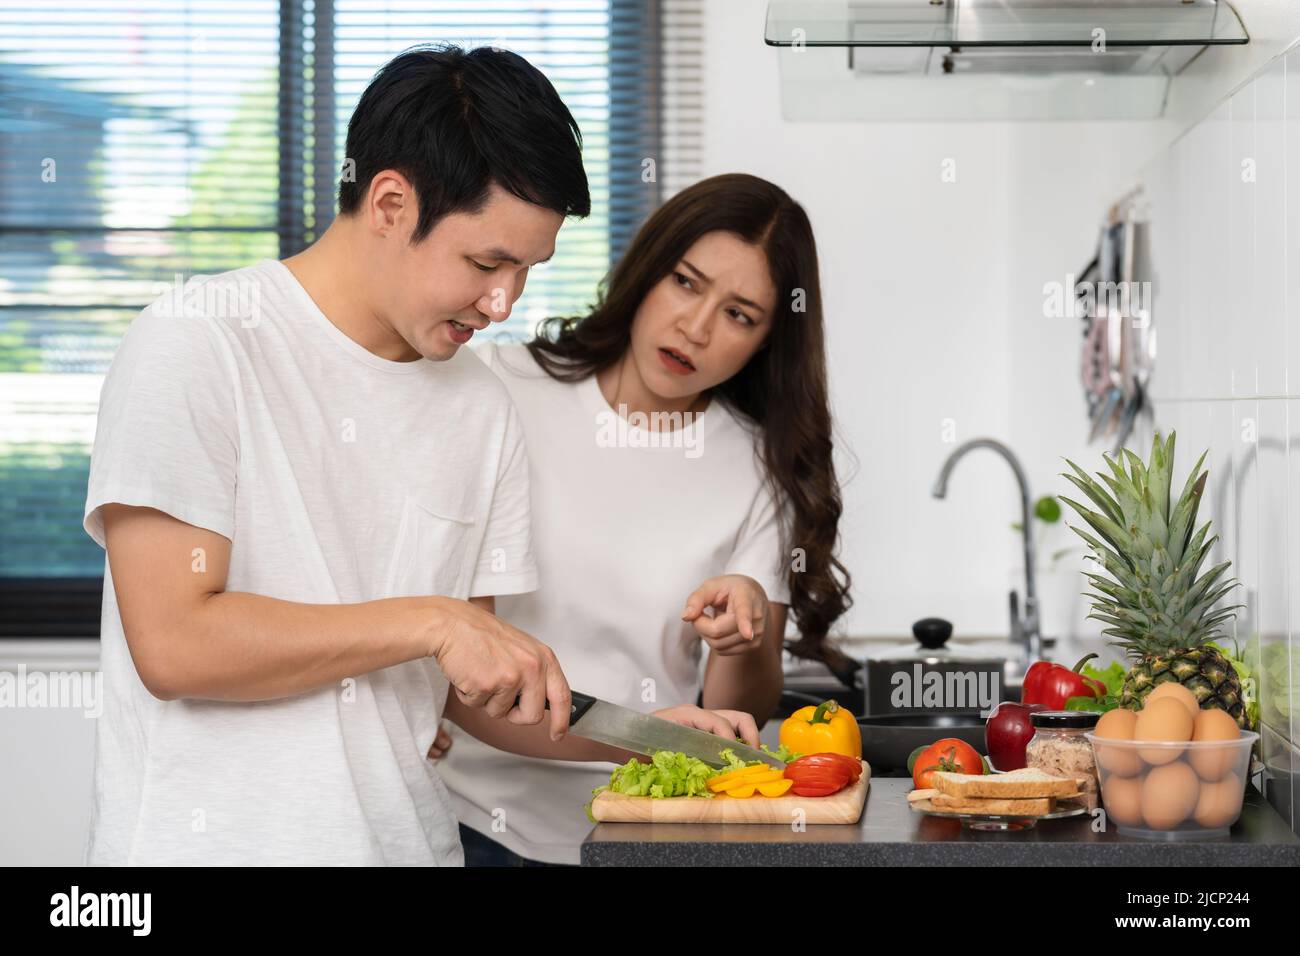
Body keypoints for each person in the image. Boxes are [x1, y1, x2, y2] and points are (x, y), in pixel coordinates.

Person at [83, 45, 756, 867]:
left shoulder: (480, 406)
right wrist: (433, 621)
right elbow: (175, 644)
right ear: (392, 203)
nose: (504, 302)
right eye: (486, 262)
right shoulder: (199, 343)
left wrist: (643, 737)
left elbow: (474, 693)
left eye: (527, 269)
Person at [436, 173, 853, 865]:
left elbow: (740, 708)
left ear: (766, 342)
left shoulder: (758, 467)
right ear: (647, 270)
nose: (696, 327)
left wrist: (741, 634)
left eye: (740, 315)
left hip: (647, 827)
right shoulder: (500, 386)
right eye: (686, 283)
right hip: (474, 821)